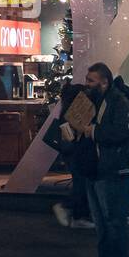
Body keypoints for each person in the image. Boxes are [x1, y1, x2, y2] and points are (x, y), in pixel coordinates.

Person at [79, 62, 129, 257]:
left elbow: (125, 131)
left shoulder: (119, 102)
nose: (87, 84)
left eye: (91, 81)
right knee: (102, 219)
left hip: (115, 168)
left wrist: (94, 131)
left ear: (104, 82)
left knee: (114, 218)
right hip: (99, 167)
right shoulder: (97, 101)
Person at [43, 82, 96, 229]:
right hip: (77, 152)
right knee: (81, 183)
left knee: (81, 182)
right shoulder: (77, 112)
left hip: (70, 152)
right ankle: (71, 209)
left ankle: (78, 215)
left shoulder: (66, 110)